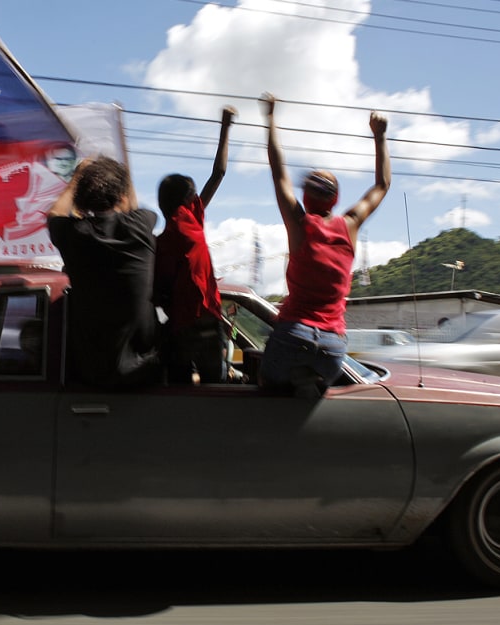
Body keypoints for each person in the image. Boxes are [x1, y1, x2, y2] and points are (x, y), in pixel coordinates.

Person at [258, 94, 391, 398]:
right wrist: (380, 136)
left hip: (293, 333)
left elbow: (278, 172)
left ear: (306, 197)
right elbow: (382, 184)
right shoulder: (351, 224)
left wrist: (270, 119)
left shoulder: (299, 224)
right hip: (332, 345)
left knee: (264, 395)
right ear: (336, 199)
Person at [46, 157, 161, 387]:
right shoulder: (141, 224)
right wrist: (124, 174)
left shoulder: (74, 235)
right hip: (145, 373)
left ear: (82, 201)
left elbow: (54, 215)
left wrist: (77, 177)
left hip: (90, 373)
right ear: (122, 196)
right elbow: (131, 208)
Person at [153, 105, 236, 385]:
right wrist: (225, 127)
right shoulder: (190, 219)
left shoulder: (162, 240)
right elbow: (219, 173)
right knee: (217, 393)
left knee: (180, 393)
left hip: (181, 328)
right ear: (188, 201)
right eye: (193, 193)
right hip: (206, 326)